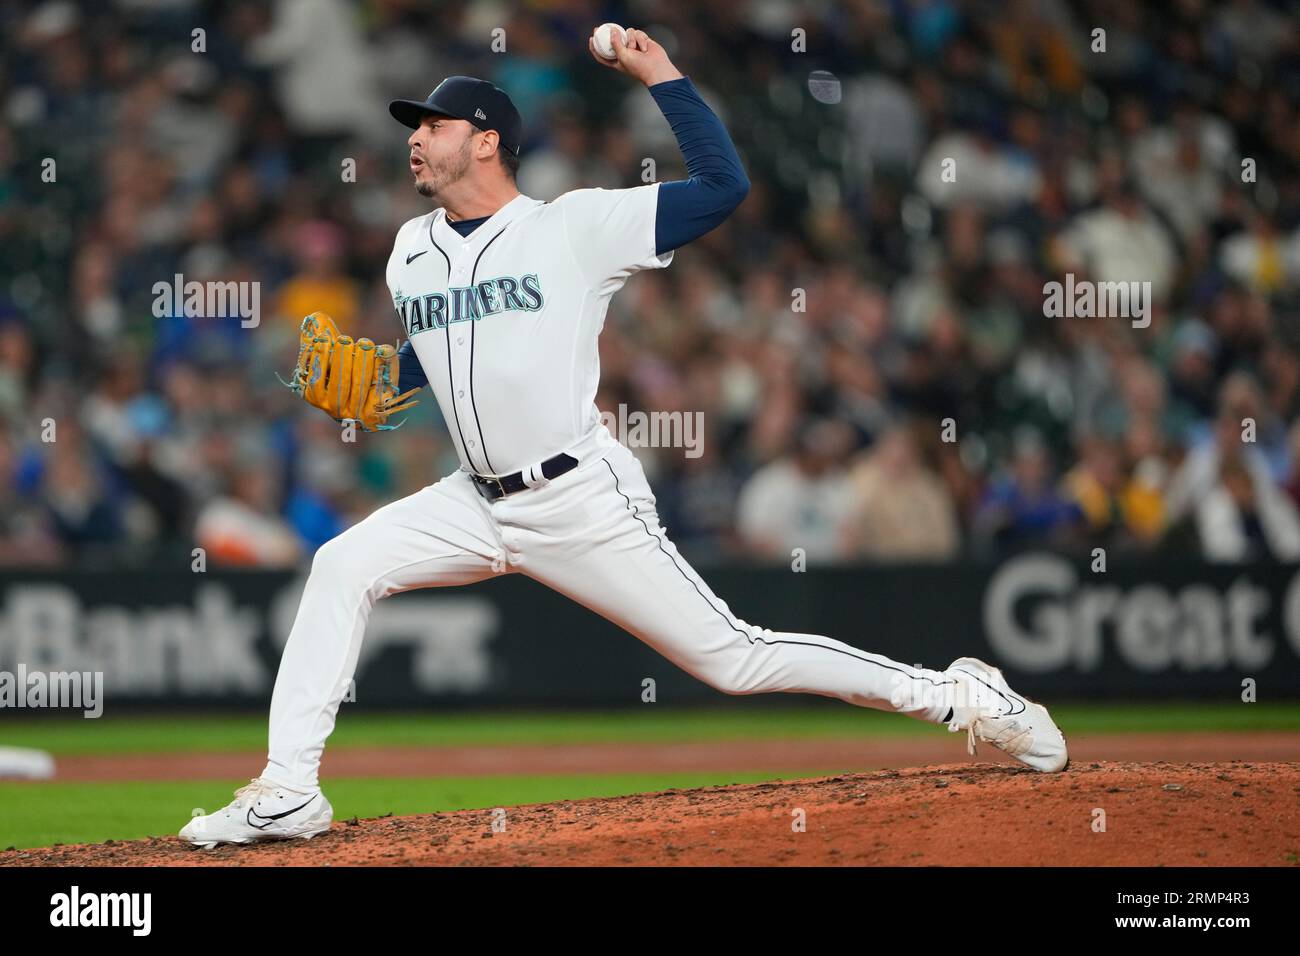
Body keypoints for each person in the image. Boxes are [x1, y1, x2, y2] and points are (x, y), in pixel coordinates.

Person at [180, 28, 1068, 848]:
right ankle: (291, 787)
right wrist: (385, 378)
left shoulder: (573, 226)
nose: (415, 137)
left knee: (737, 659)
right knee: (341, 564)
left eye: (434, 124)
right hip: (473, 499)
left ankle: (961, 695)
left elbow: (724, 189)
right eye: (414, 126)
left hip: (577, 498)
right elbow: (437, 353)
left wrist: (662, 77)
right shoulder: (409, 248)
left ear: (485, 140)